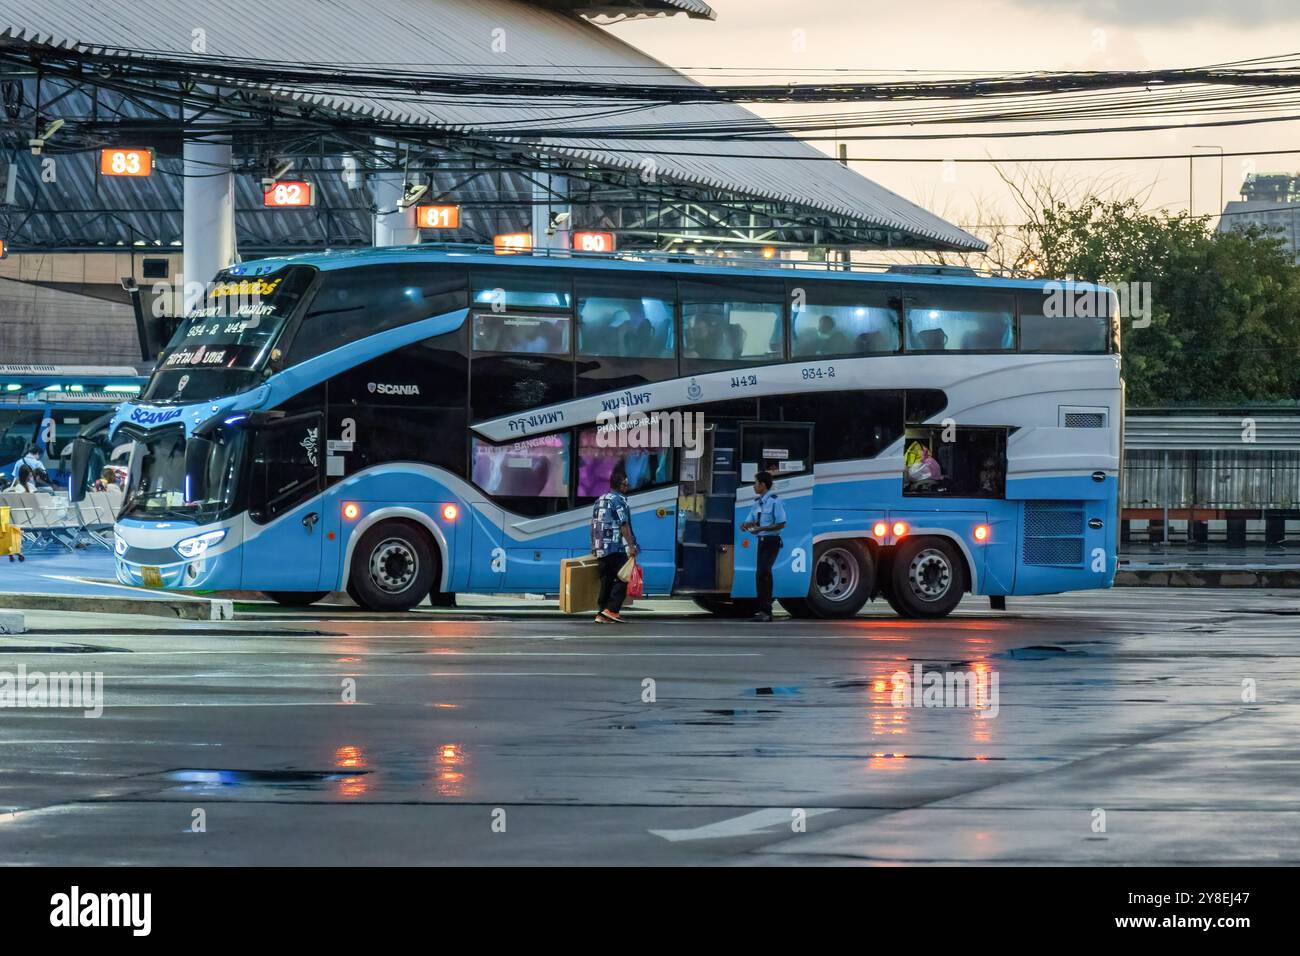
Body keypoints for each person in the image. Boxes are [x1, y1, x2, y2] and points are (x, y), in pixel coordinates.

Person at [590, 468, 639, 624]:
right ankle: (612, 610)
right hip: (615, 547)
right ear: (621, 484)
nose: (628, 486)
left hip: (600, 547)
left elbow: (594, 524)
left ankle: (601, 613)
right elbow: (624, 525)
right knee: (624, 577)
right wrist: (631, 545)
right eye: (626, 483)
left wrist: (594, 545)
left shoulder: (600, 499)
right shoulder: (620, 500)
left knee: (606, 580)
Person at [740, 471, 786, 622]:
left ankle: (766, 611)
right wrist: (746, 525)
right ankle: (764, 610)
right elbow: (752, 520)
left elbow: (781, 523)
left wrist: (761, 529)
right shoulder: (757, 503)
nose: (754, 486)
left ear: (763, 485)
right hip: (761, 541)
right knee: (762, 574)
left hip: (772, 541)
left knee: (763, 573)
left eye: (755, 483)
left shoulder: (775, 502)